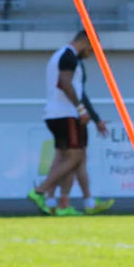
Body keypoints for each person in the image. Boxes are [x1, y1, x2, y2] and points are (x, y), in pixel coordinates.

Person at [26, 29, 114, 217]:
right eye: (91, 49)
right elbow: (65, 84)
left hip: (56, 113)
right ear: (86, 42)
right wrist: (81, 110)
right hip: (66, 114)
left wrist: (95, 118)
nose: (90, 54)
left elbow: (79, 91)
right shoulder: (69, 57)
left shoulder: (60, 56)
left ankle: (59, 202)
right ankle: (41, 191)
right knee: (74, 158)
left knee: (66, 157)